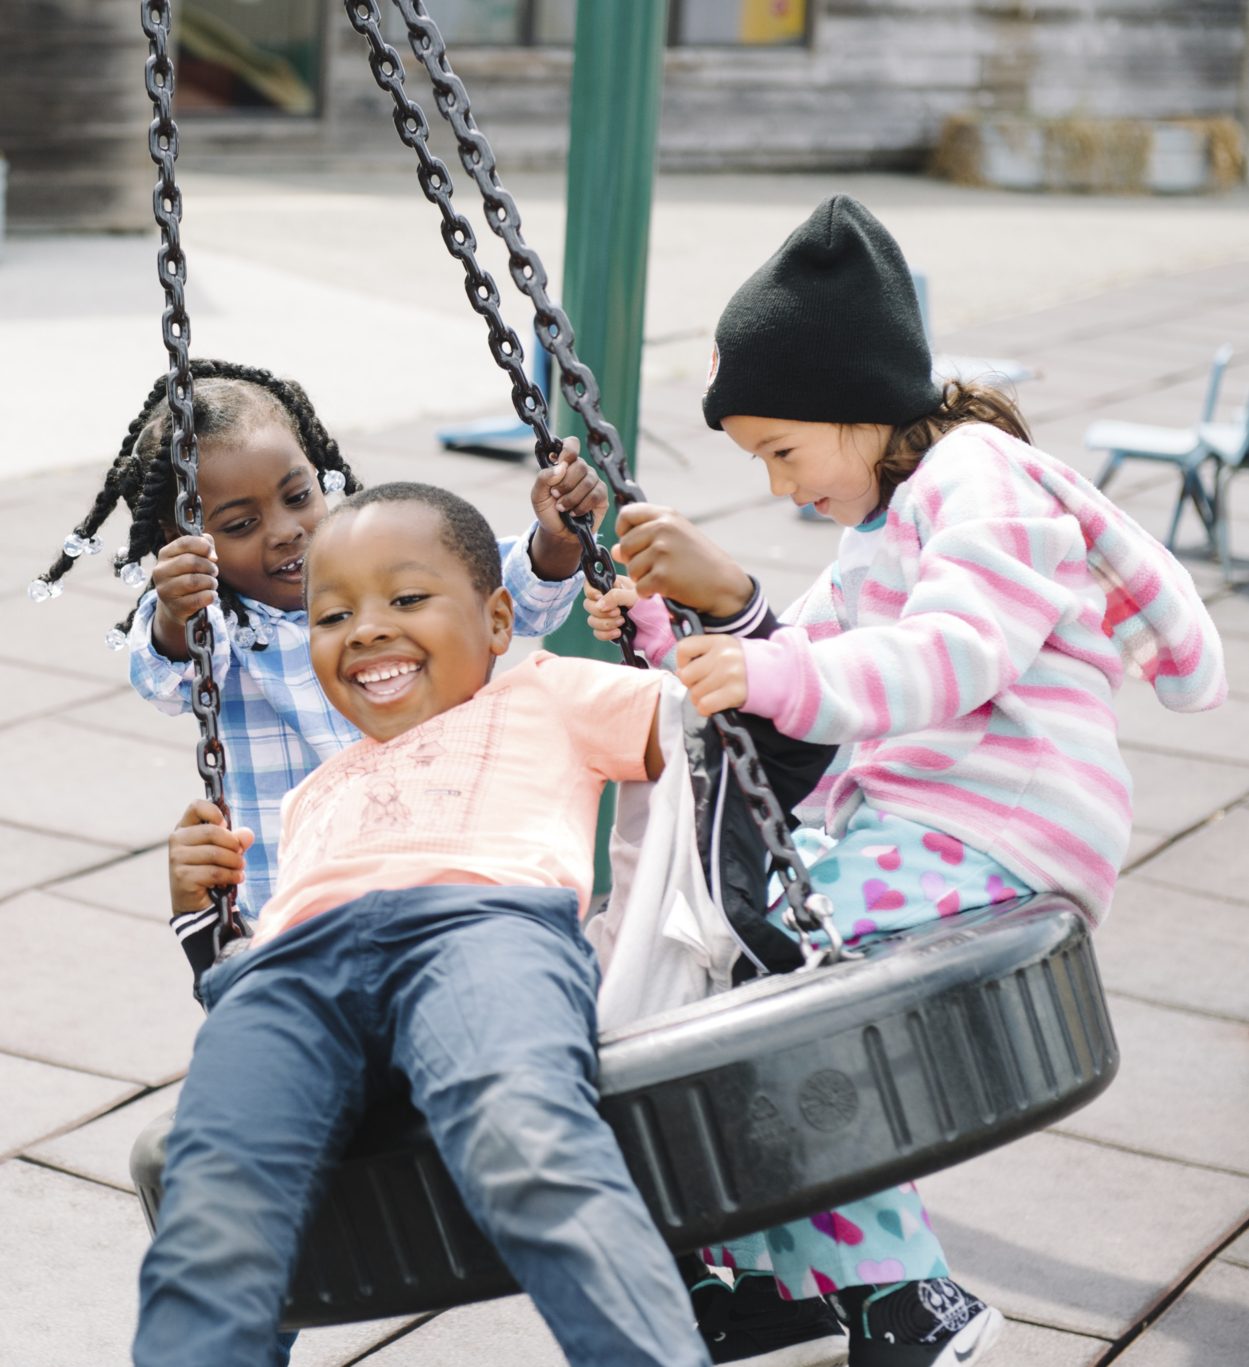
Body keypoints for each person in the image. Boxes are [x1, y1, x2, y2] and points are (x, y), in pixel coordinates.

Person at [586, 194, 1228, 1367]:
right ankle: (796, 1278)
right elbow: (805, 653)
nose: (780, 484)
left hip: (1006, 817)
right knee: (746, 976)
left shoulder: (984, 480)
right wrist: (661, 630)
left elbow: (948, 658)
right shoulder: (880, 527)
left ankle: (911, 1294)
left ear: (858, 404)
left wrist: (772, 671)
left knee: (793, 978)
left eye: (783, 450)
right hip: (923, 823)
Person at [137, 480, 715, 1367]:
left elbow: (709, 715)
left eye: (406, 599)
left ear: (494, 622)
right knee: (212, 1199)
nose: (365, 628)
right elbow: (237, 961)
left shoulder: (548, 696)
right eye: (332, 615)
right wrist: (197, 916)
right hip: (290, 972)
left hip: (481, 932)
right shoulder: (314, 793)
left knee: (523, 1139)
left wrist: (684, 612)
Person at [31, 359, 601, 931]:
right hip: (301, 905)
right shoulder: (218, 621)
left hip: (446, 870)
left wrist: (556, 540)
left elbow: (508, 594)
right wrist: (179, 609)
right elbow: (165, 680)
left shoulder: (376, 552)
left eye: (297, 495)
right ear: (184, 541)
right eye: (238, 525)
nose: (284, 529)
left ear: (316, 470)